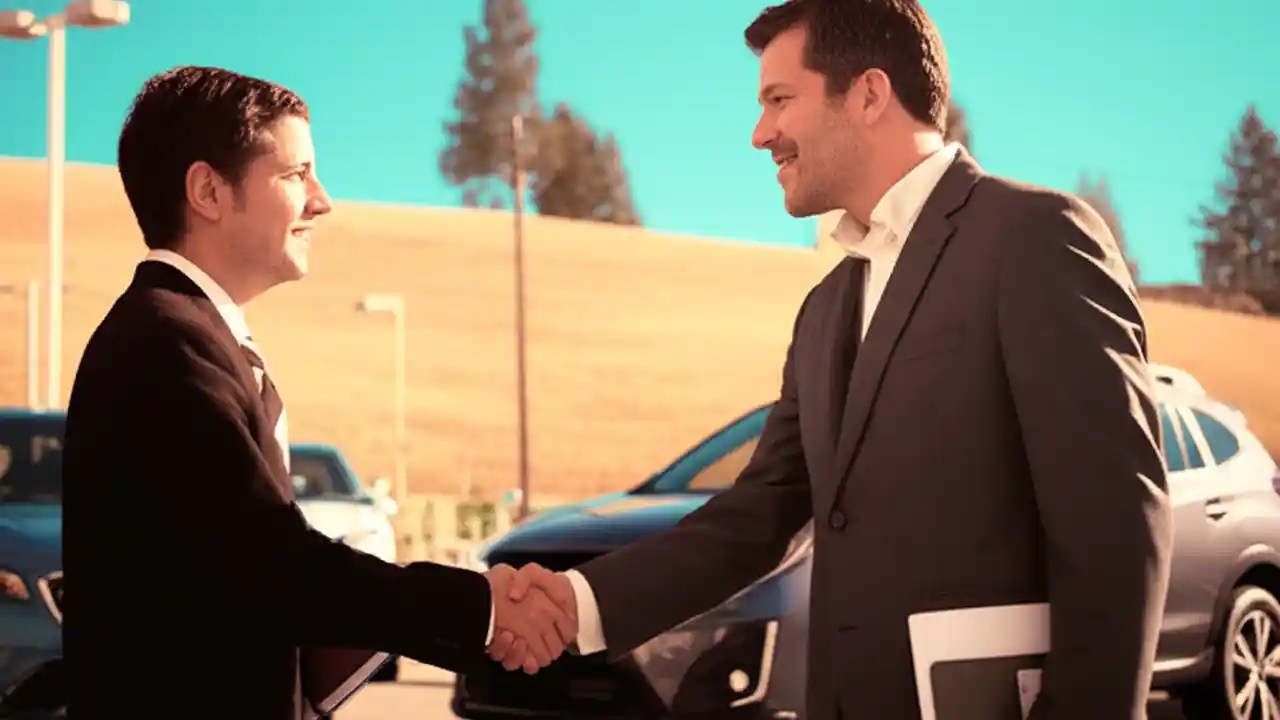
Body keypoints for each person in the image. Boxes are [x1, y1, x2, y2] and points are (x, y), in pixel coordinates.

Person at [493, 1, 1173, 718]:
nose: (761, 133)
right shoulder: (824, 311)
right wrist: (575, 602)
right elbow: (758, 516)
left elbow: (1117, 527)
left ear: (869, 94)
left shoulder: (1035, 238)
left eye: (779, 100)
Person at [59, 66, 569, 720]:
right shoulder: (165, 346)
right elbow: (273, 565)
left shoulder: (188, 335)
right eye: (296, 174)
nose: (322, 201)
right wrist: (484, 610)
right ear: (208, 191)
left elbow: (233, 577)